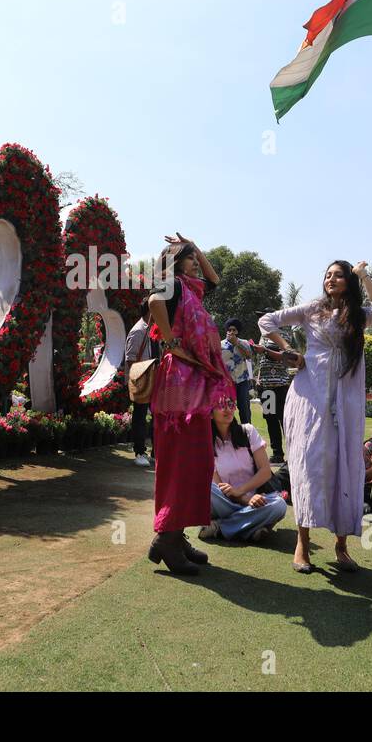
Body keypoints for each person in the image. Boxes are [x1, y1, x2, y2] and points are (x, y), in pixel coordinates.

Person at [258, 259, 372, 574]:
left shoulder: (358, 316)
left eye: (338, 275)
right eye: (327, 275)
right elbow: (267, 321)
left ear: (349, 281)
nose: (330, 279)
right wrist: (289, 349)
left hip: (346, 396)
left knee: (343, 461)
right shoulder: (312, 309)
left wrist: (363, 275)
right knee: (308, 462)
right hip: (309, 394)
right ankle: (302, 543)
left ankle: (341, 546)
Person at [146, 233, 235, 575]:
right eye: (188, 257)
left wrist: (195, 246)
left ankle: (174, 535)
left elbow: (214, 279)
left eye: (194, 257)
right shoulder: (173, 286)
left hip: (193, 382)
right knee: (182, 458)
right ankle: (168, 537)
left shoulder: (192, 290)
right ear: (173, 263)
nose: (195, 262)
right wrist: (172, 342)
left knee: (197, 459)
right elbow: (154, 302)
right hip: (178, 383)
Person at [200, 398, 288, 542]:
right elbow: (218, 486)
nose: (228, 409)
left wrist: (240, 491)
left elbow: (265, 471)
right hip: (225, 502)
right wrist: (245, 500)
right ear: (210, 414)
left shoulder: (248, 431)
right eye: (221, 405)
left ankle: (221, 527)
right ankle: (251, 526)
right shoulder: (206, 443)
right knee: (206, 487)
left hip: (254, 501)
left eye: (230, 404)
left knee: (279, 505)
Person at [124, 301, 157, 468]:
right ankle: (139, 452)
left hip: (154, 379)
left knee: (157, 416)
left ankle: (155, 453)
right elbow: (130, 358)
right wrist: (140, 379)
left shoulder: (154, 329)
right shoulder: (138, 331)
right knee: (140, 416)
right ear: (150, 311)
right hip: (143, 380)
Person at [254, 340, 292, 463]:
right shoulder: (263, 338)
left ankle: (293, 453)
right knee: (271, 421)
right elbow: (262, 363)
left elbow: (283, 356)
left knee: (285, 421)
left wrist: (265, 350)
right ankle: (277, 454)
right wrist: (259, 379)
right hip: (267, 390)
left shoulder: (284, 337)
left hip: (281, 388)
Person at [220, 318, 257, 423]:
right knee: (227, 409)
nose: (231, 332)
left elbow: (249, 356)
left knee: (244, 409)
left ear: (238, 331)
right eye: (229, 330)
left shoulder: (244, 343)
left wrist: (236, 343)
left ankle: (248, 434)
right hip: (227, 383)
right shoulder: (220, 345)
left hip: (242, 381)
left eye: (234, 330)